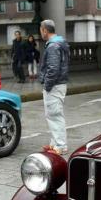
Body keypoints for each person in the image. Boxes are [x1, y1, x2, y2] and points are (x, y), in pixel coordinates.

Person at [39, 19, 69, 155]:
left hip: (54, 85)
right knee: (53, 114)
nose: (41, 32)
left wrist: (47, 85)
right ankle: (55, 143)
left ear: (45, 30)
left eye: (41, 30)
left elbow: (53, 68)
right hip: (59, 83)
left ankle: (60, 146)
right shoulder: (59, 43)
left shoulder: (52, 46)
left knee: (54, 115)